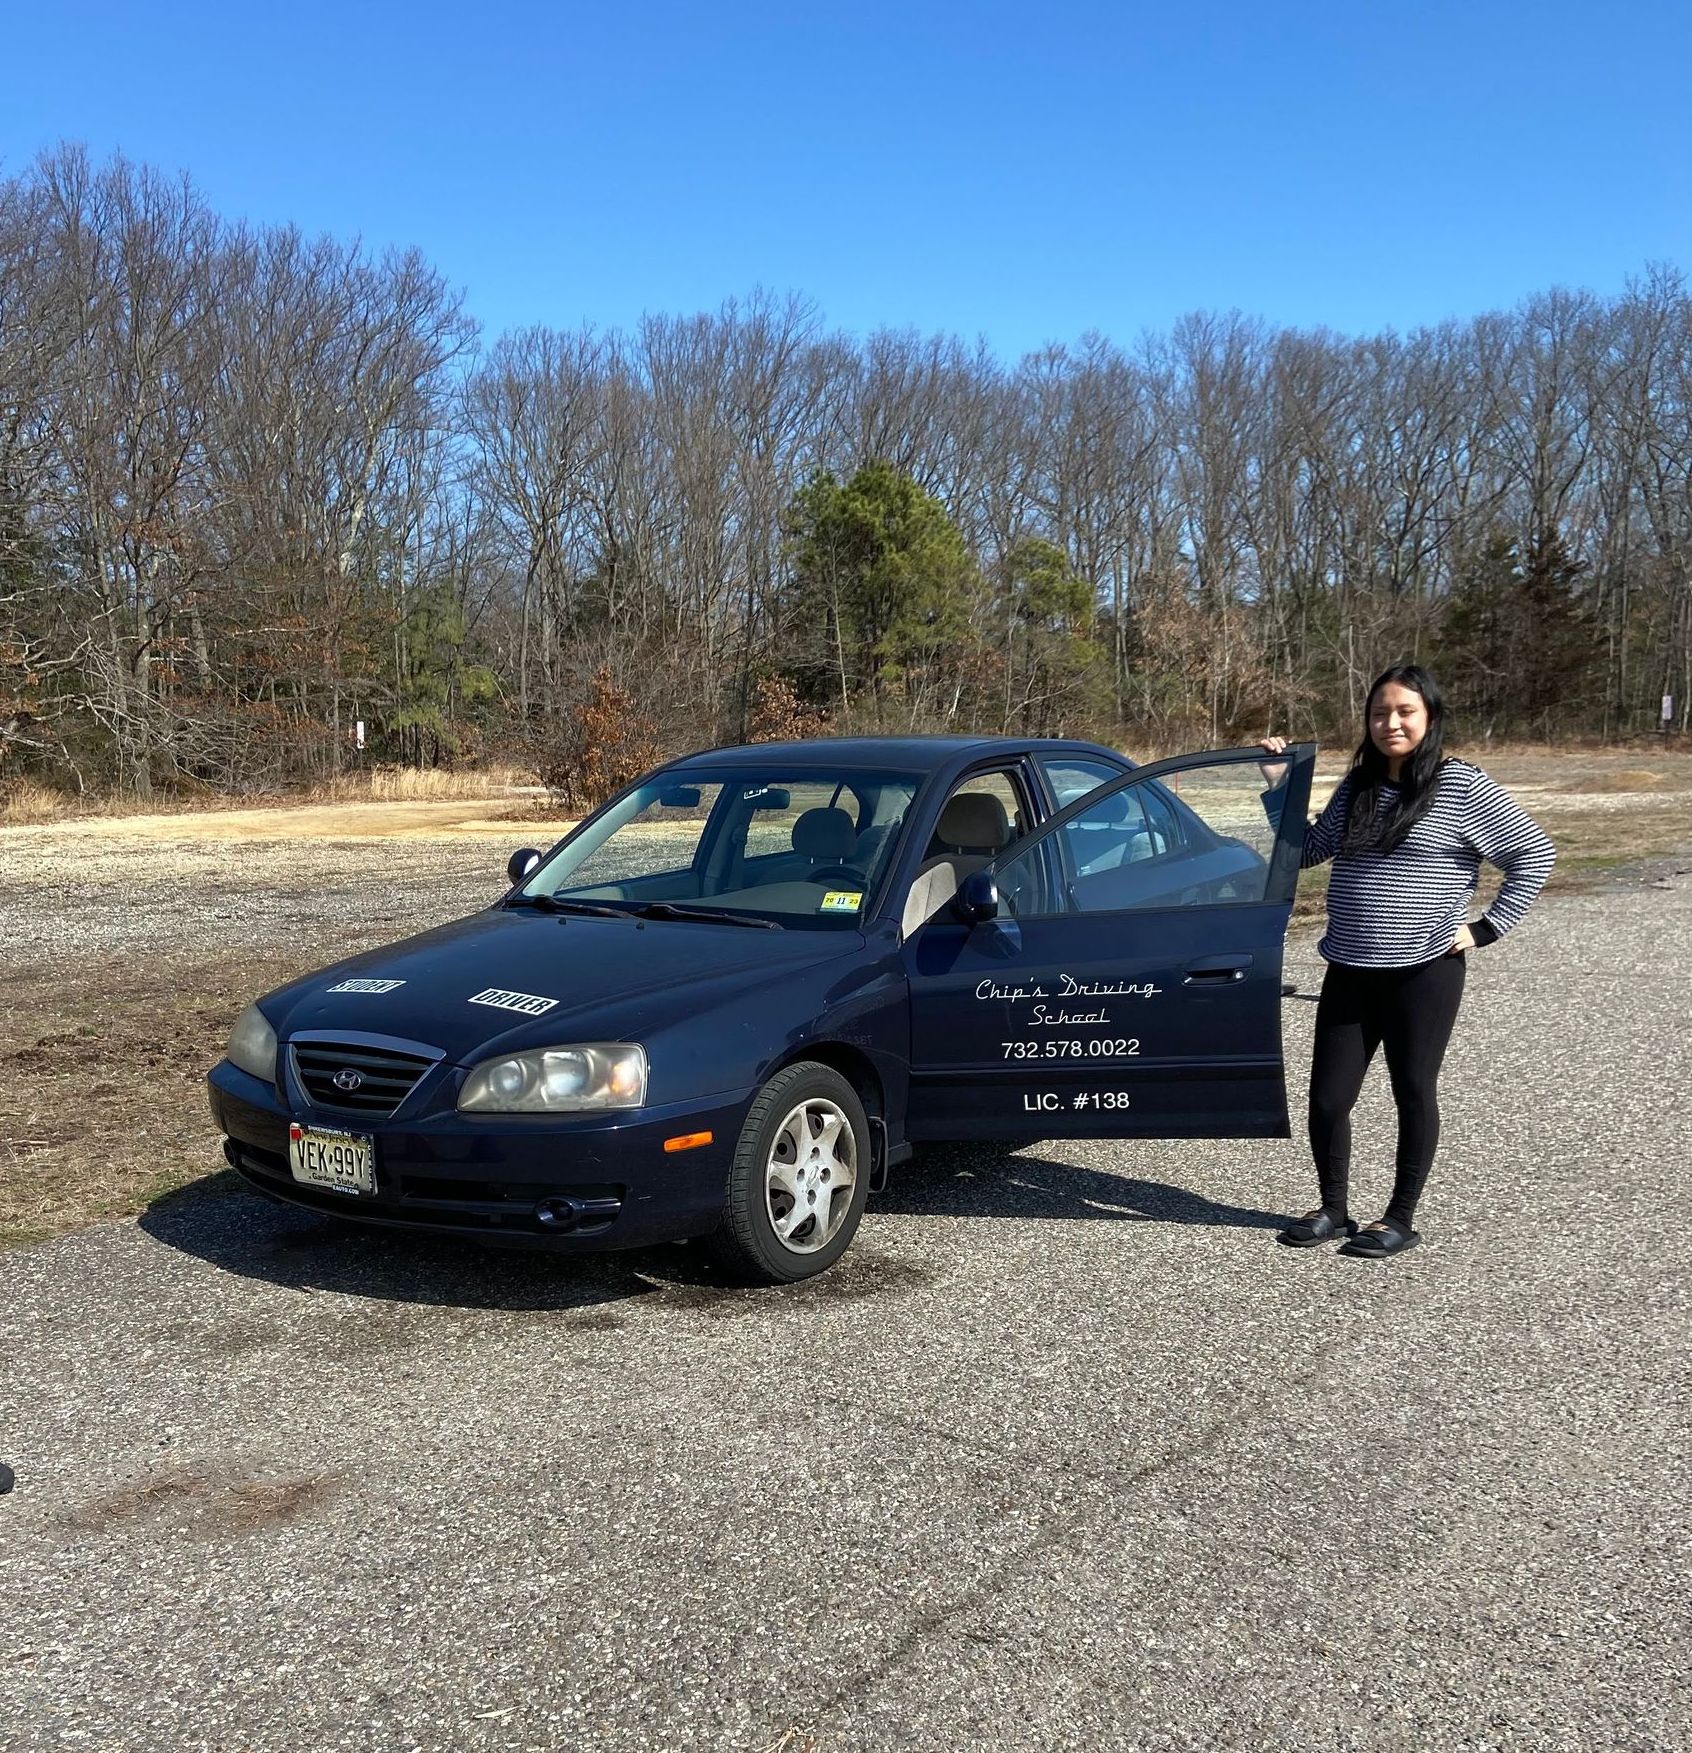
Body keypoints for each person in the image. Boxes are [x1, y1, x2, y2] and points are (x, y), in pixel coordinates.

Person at [1258, 664, 1555, 1259]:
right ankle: (1334, 1209)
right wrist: (1278, 785)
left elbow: (1534, 856)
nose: (1390, 723)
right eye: (1378, 713)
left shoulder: (1461, 785)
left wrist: (1484, 929)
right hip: (1350, 966)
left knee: (1412, 1090)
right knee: (1328, 1098)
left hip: (1424, 971)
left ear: (1430, 719)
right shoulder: (1359, 786)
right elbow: (1308, 852)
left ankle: (1399, 1217)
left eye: (1404, 712)